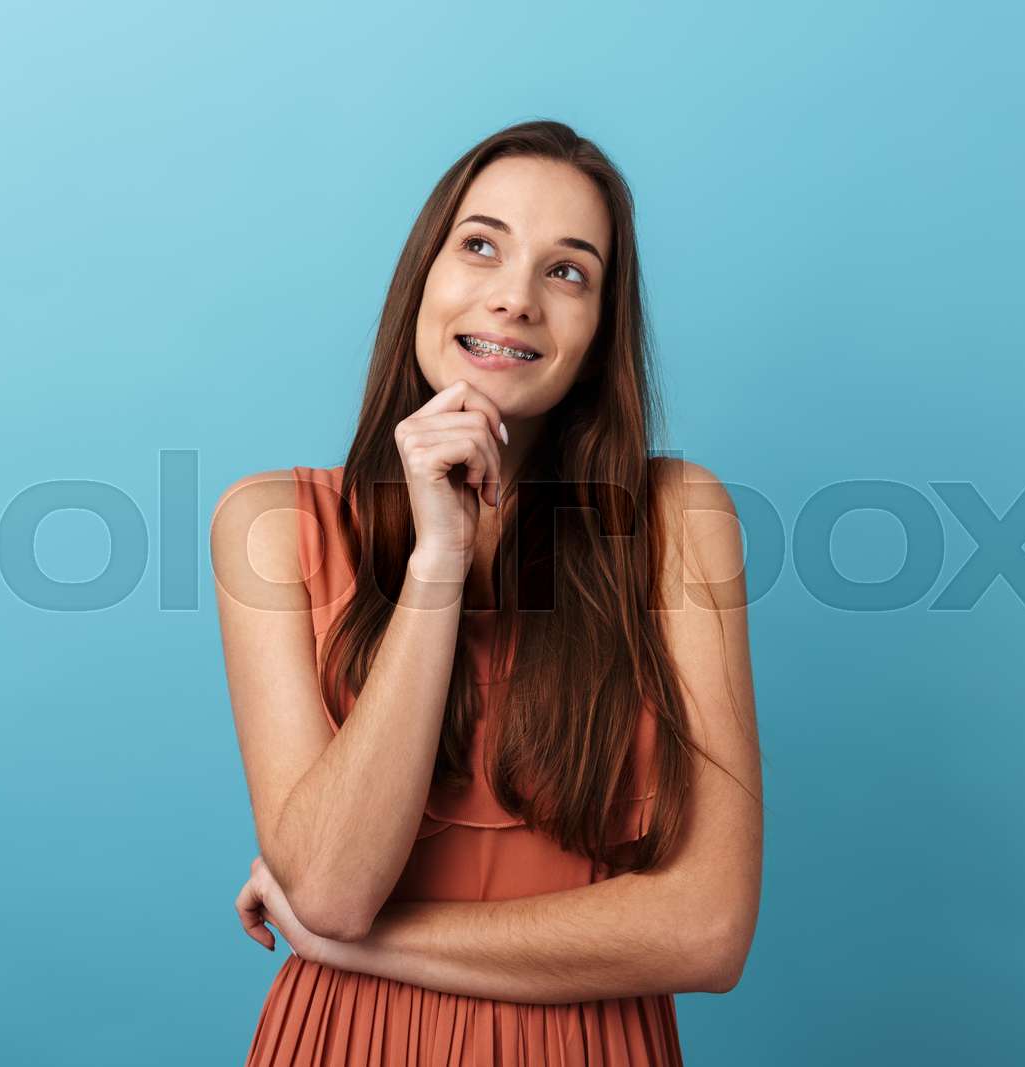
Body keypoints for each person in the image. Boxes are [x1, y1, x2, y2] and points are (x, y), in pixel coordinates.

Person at [210, 119, 762, 1065]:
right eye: (481, 245)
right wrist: (437, 563)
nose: (514, 299)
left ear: (600, 332)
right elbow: (334, 885)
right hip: (345, 1043)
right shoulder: (271, 523)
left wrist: (360, 942)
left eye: (568, 271)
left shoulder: (677, 519)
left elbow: (707, 930)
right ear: (423, 276)